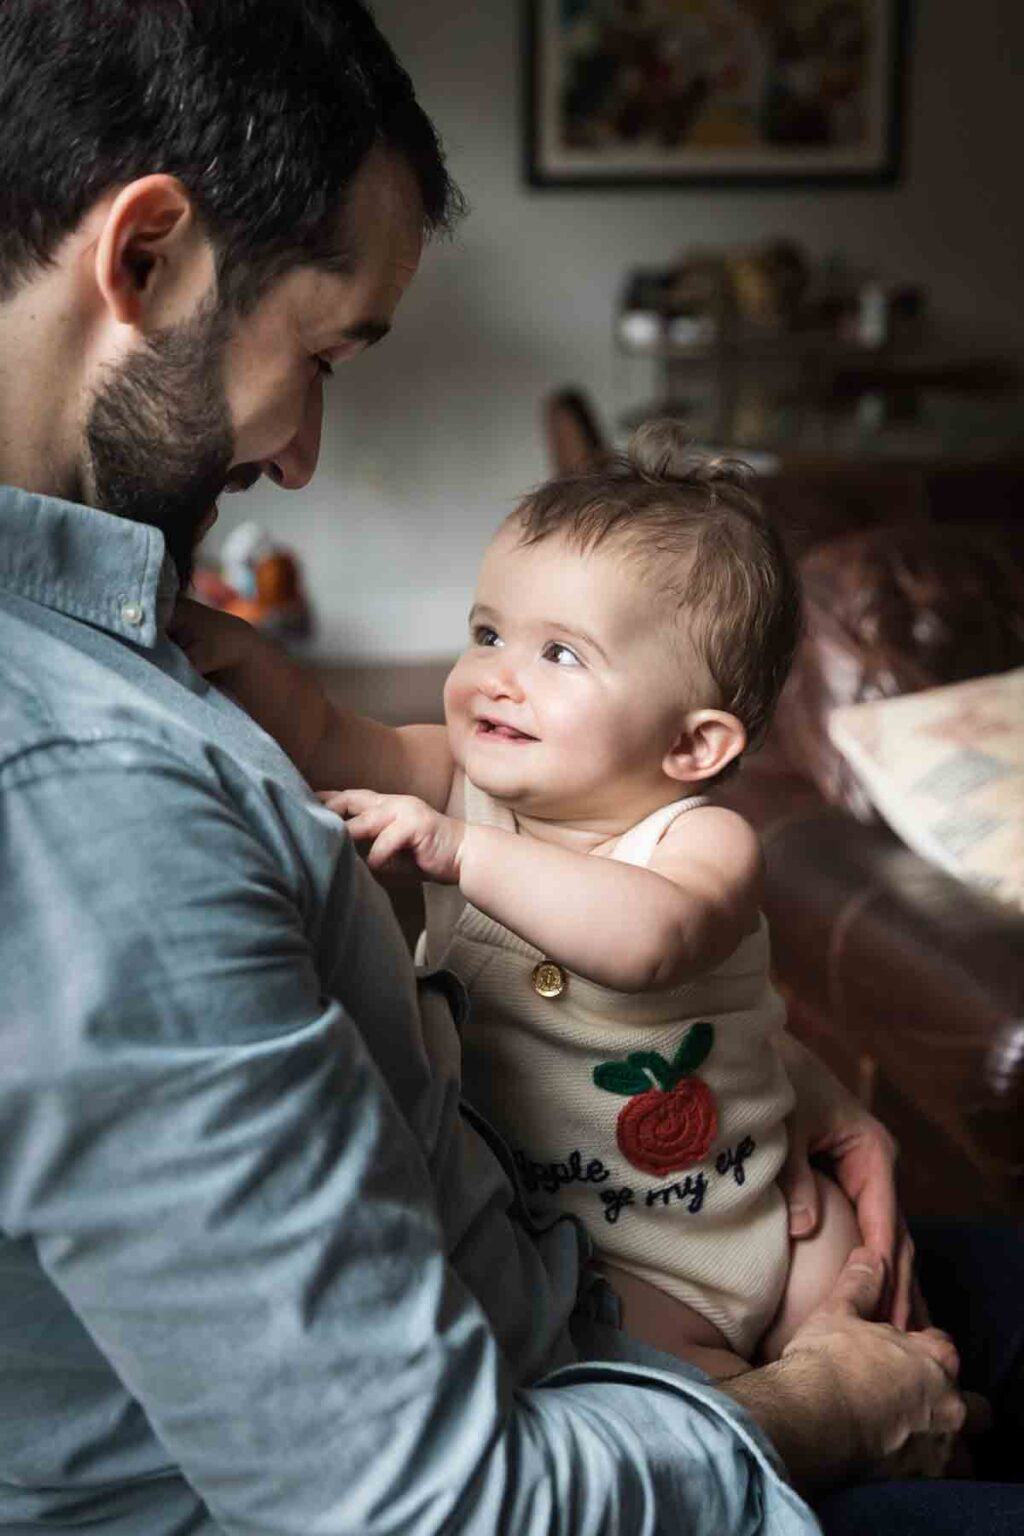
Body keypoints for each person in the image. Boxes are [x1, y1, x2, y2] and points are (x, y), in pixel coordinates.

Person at [0, 3, 1017, 1533]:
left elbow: (639, 947)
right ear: (143, 258)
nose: (302, 458)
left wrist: (785, 1086)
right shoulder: (80, 780)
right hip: (582, 1396)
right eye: (322, 355)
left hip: (606, 1248)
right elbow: (433, 1499)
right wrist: (830, 1408)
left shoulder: (114, 643)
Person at [181, 424, 864, 1381]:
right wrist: (239, 654)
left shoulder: (700, 840)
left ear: (692, 746)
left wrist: (464, 853)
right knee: (678, 1388)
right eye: (488, 634)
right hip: (608, 1256)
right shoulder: (456, 777)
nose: (498, 676)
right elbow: (326, 734)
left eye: (562, 655)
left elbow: (651, 939)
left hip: (759, 1208)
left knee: (872, 1324)